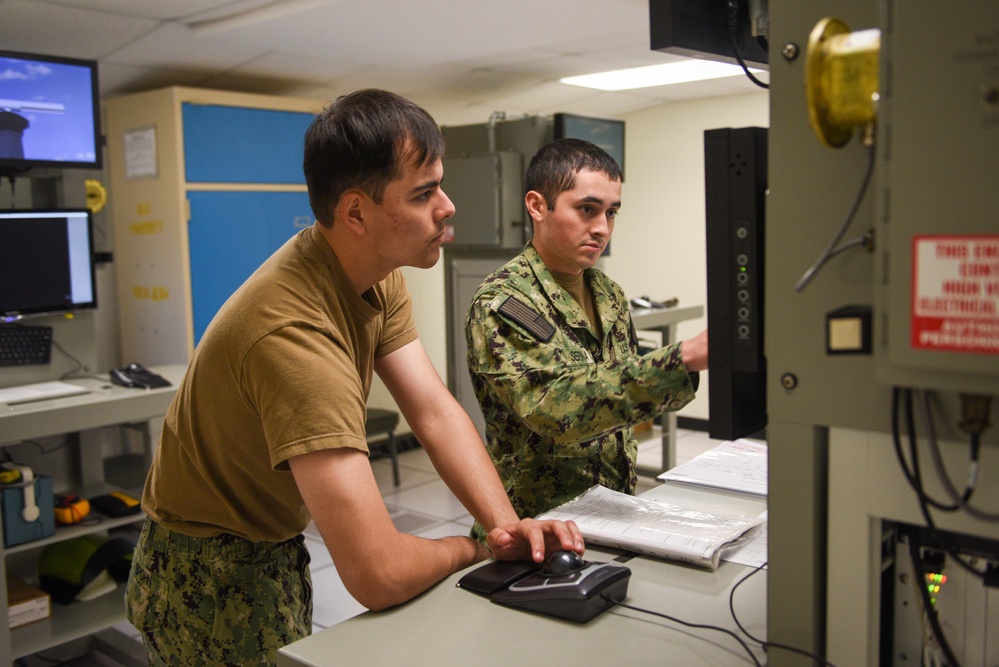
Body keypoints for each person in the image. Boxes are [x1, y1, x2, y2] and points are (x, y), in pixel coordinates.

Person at [125, 89, 584, 666]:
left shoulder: (373, 270)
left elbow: (433, 410)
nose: (447, 206)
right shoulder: (294, 337)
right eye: (423, 194)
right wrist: (473, 550)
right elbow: (378, 572)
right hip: (207, 574)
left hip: (271, 545)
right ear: (356, 213)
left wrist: (504, 527)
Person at [465, 138, 708, 535]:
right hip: (537, 526)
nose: (602, 228)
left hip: (611, 511)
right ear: (537, 206)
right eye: (587, 209)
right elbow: (555, 408)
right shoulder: (503, 301)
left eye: (611, 212)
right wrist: (681, 360)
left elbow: (618, 398)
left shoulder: (607, 293)